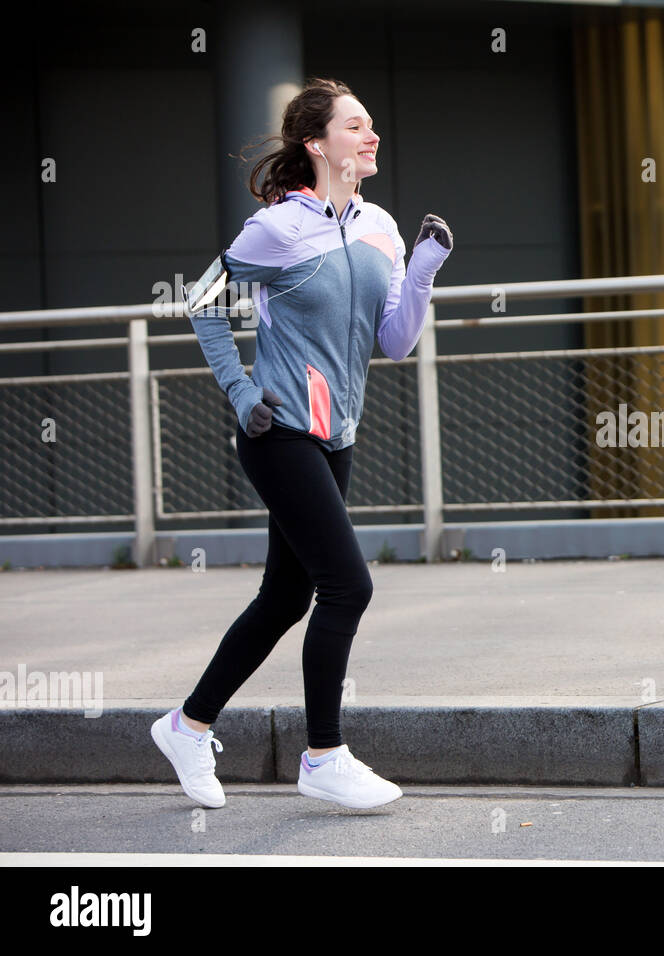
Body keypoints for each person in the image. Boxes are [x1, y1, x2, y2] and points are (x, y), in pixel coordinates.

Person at [150, 77, 453, 810]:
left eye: (372, 125)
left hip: (335, 434)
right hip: (278, 428)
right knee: (349, 584)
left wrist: (422, 270)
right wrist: (243, 392)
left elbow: (395, 341)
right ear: (318, 144)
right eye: (356, 126)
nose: (371, 136)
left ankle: (187, 726)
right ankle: (324, 756)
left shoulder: (379, 225)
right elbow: (203, 305)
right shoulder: (277, 229)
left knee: (288, 595)